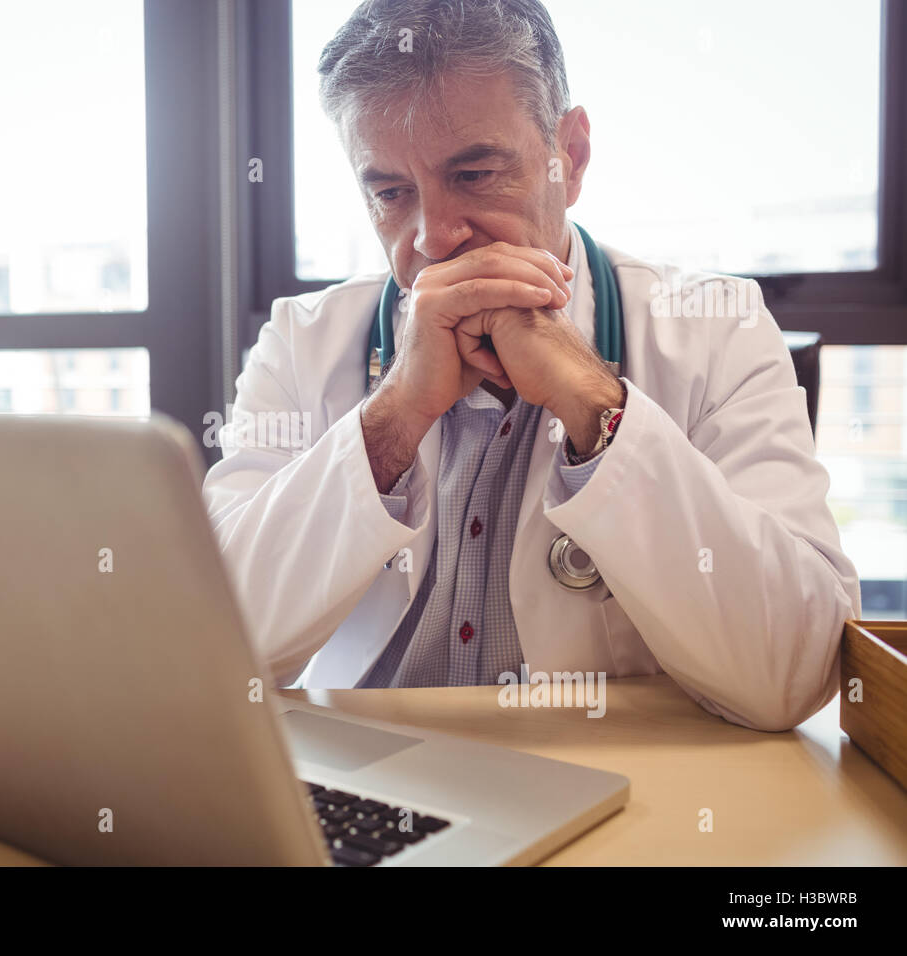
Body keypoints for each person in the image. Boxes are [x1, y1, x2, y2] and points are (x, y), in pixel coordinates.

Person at [201, 0, 860, 731]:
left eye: (476, 174)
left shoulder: (717, 329)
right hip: (368, 788)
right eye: (390, 193)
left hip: (618, 789)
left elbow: (794, 671)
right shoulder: (302, 340)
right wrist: (391, 420)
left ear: (569, 156)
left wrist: (595, 407)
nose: (435, 237)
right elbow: (208, 649)